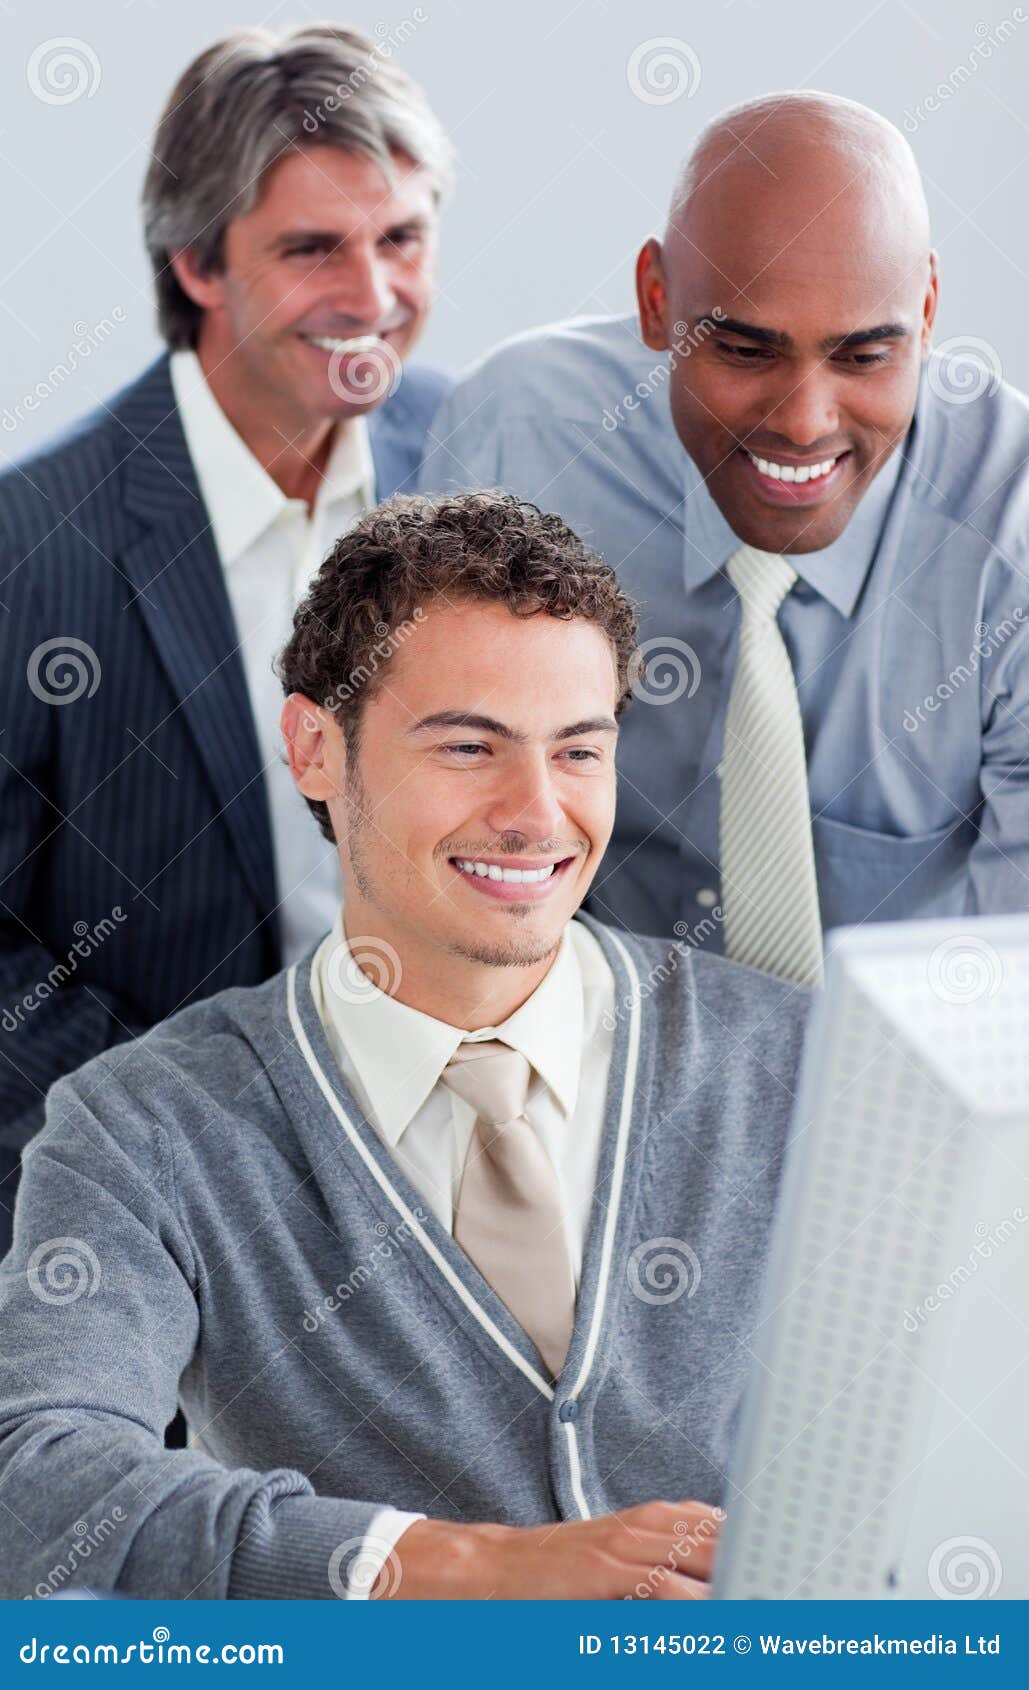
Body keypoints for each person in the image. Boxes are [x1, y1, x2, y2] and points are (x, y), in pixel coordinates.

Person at [0, 492, 808, 1600]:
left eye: (578, 750)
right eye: (470, 746)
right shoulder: (145, 1129)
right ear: (315, 748)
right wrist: (459, 1566)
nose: (536, 813)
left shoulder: (801, 1062)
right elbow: (36, 1483)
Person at [0, 25, 453, 1249]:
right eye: (314, 249)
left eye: (401, 238)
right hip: (160, 1220)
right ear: (199, 261)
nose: (372, 298)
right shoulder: (35, 541)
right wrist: (202, 1148)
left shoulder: (475, 459)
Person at [421, 92, 1029, 980]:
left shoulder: (1007, 526)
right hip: (564, 1035)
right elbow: (423, 807)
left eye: (864, 357)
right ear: (656, 300)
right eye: (744, 351)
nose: (803, 422)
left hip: (900, 1085)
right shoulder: (518, 442)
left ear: (927, 311)